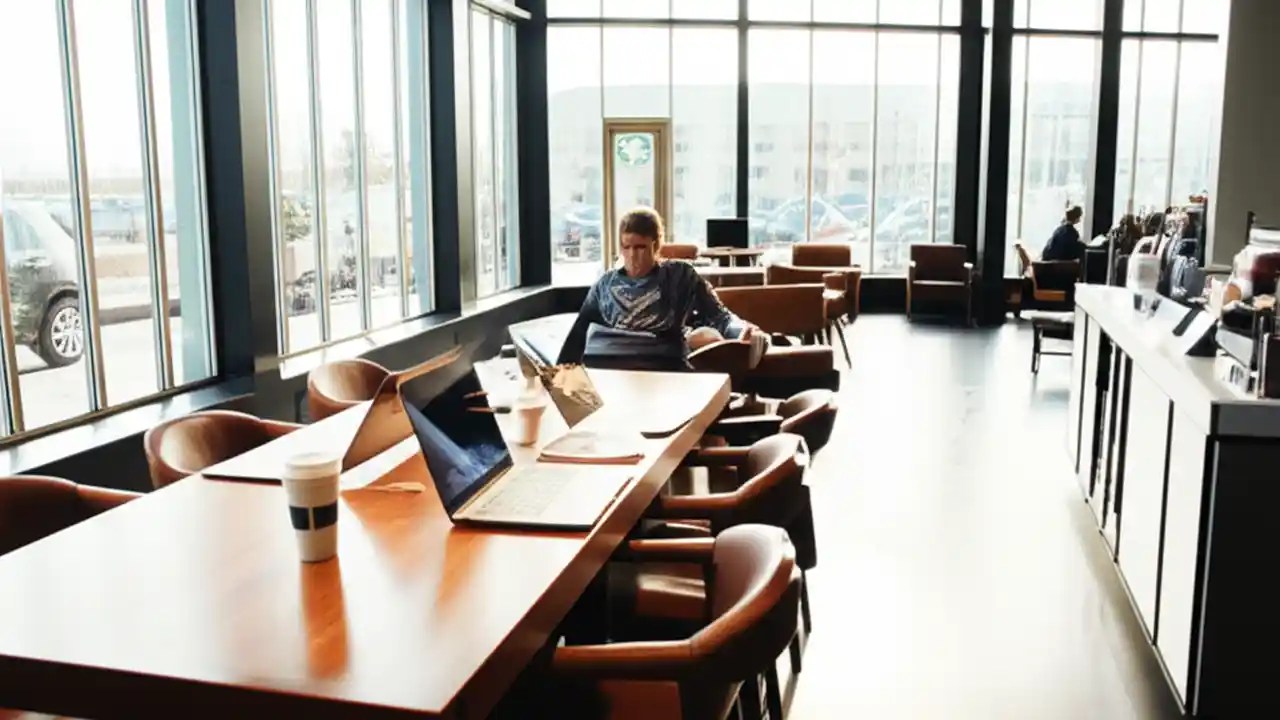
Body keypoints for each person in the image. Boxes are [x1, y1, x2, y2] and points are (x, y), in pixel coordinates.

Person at [557, 207, 759, 368]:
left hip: (667, 368)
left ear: (656, 245)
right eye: (626, 247)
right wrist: (561, 386)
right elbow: (578, 335)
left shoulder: (680, 275)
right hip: (614, 372)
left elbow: (719, 316)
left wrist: (740, 331)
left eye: (640, 247)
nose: (633, 256)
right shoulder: (604, 285)